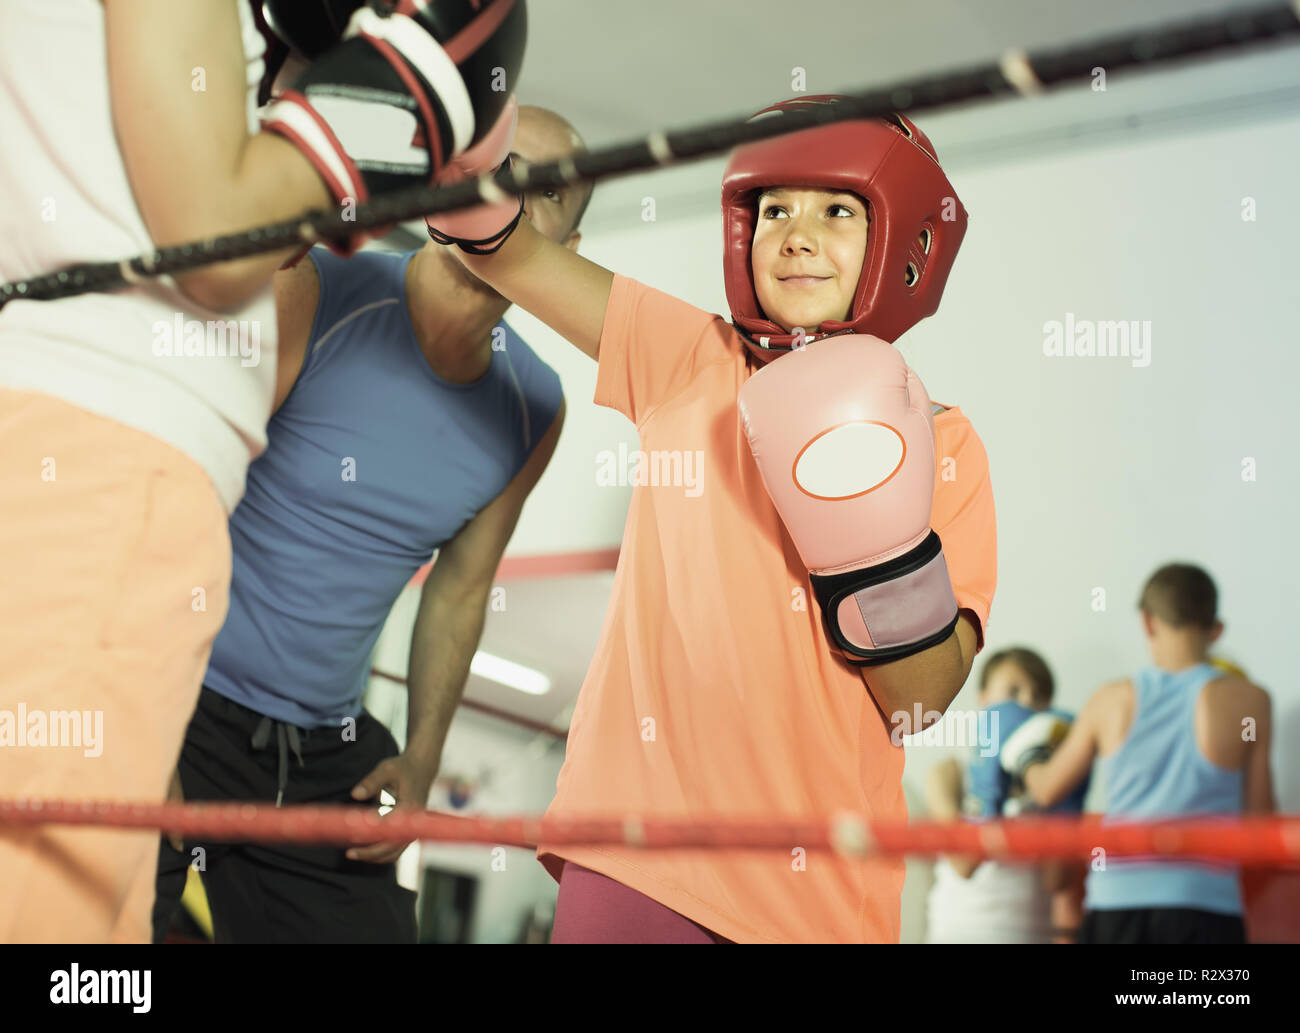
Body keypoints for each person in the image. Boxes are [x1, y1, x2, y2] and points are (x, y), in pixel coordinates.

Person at [0, 0, 524, 943]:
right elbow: (216, 235)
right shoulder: (347, 310)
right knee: (45, 919)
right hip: (103, 463)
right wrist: (405, 89)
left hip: (106, 473)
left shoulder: (532, 405)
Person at [427, 94, 998, 942]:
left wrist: (873, 540)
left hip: (820, 899)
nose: (796, 234)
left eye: (838, 210)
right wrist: (450, 139)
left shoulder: (947, 441)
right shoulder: (688, 359)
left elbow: (918, 700)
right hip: (637, 853)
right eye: (774, 210)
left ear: (903, 243)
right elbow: (506, 252)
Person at [150, 102, 586, 944]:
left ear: (568, 252)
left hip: (325, 751)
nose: (513, 194)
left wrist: (421, 760)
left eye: (549, 190)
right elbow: (185, 491)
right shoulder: (314, 286)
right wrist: (144, 710)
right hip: (187, 702)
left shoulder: (534, 406)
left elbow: (461, 590)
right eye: (498, 166)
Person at [1007, 562, 1276, 945]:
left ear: (1147, 623)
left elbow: (1046, 789)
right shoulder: (1251, 702)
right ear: (1216, 629)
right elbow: (1260, 823)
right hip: (1206, 907)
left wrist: (1026, 754)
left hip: (1117, 906)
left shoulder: (1109, 700)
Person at [924, 648, 1087, 943]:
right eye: (1013, 692)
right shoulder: (950, 773)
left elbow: (1057, 881)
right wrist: (986, 792)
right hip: (959, 932)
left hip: (1028, 934)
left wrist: (1064, 806)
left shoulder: (1047, 784)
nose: (1025, 702)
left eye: (1038, 697)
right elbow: (964, 864)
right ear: (984, 699)